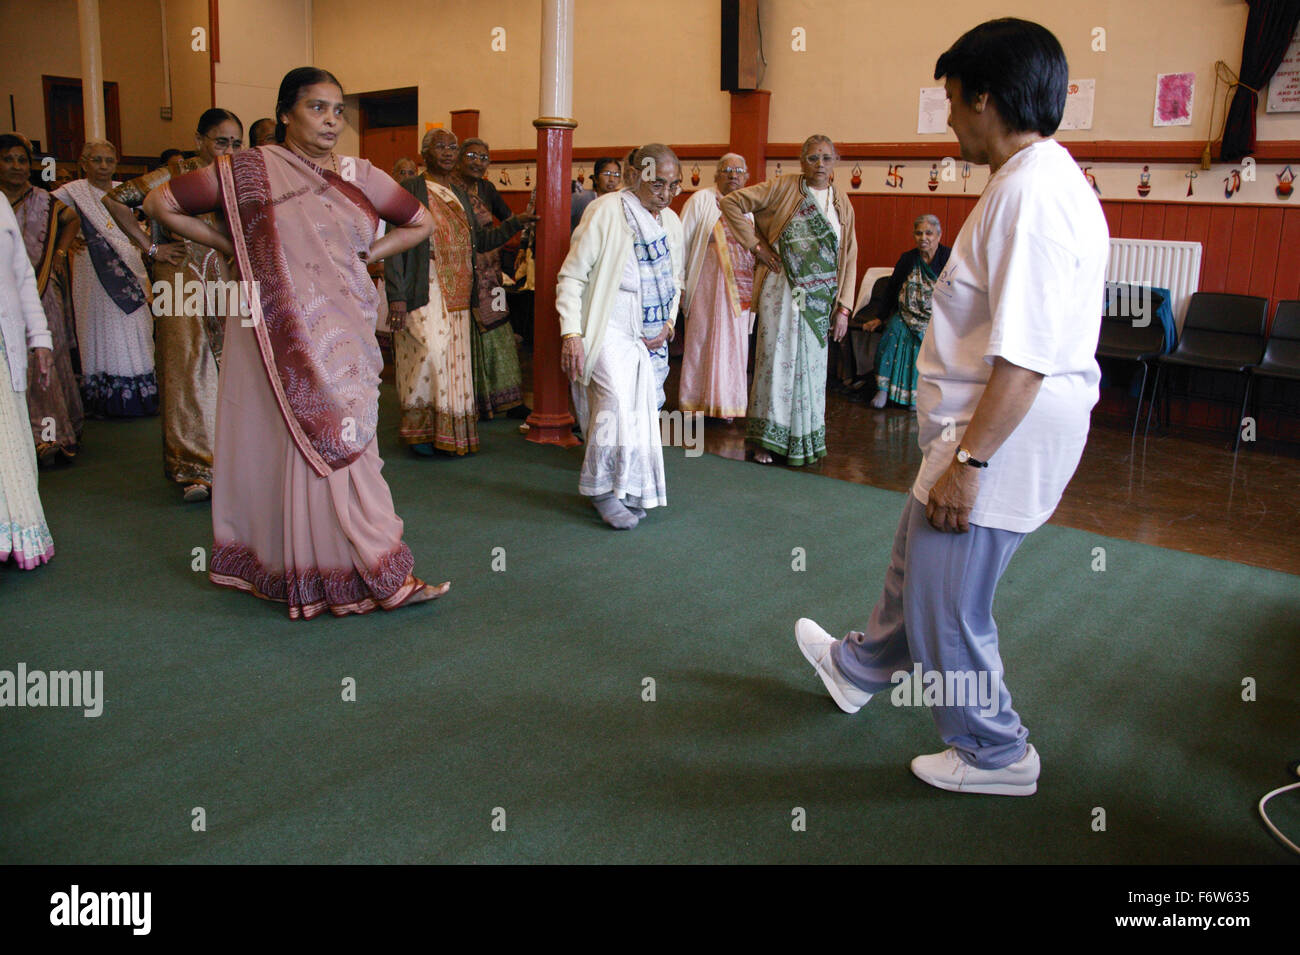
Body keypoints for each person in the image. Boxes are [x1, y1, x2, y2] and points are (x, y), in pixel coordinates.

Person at [794, 18, 1109, 796]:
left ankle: (997, 752)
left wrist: (970, 465)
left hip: (1001, 433)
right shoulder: (1032, 178)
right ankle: (857, 667)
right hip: (985, 426)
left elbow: (1027, 355)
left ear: (986, 98)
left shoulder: (1033, 192)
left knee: (947, 607)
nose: (949, 119)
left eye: (951, 101)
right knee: (916, 563)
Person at [143, 66, 446, 618]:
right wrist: (231, 245)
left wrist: (367, 257)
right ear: (285, 113)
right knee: (291, 434)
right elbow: (159, 204)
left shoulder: (360, 173)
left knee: (350, 435)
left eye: (338, 110)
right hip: (277, 324)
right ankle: (310, 565)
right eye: (317, 108)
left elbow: (419, 222)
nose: (332, 120)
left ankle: (362, 556)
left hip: (345, 327)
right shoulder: (248, 171)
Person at [103, 108, 243, 503]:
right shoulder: (175, 173)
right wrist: (151, 247)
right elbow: (115, 200)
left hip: (227, 279)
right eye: (220, 141)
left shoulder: (239, 176)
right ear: (199, 138)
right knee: (187, 367)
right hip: (179, 279)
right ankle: (193, 468)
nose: (228, 149)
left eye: (235, 142)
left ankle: (234, 463)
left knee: (231, 364)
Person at [385, 128, 535, 456]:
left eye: (453, 147)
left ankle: (448, 433)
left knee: (454, 361)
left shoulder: (460, 192)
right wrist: (396, 295)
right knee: (429, 353)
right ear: (425, 153)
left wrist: (515, 223)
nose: (450, 152)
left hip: (459, 291)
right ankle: (420, 432)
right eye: (441, 147)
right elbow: (393, 245)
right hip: (424, 287)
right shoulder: (411, 188)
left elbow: (480, 242)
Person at [558, 143, 684, 530]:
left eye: (673, 185)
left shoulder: (671, 222)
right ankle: (600, 490)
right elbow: (572, 276)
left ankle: (626, 487)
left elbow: (674, 282)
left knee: (640, 413)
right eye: (657, 183)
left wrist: (668, 324)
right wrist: (571, 334)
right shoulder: (606, 210)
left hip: (650, 333)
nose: (665, 194)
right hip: (608, 323)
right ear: (634, 176)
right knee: (612, 402)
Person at [721, 135, 857, 466]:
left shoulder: (841, 201)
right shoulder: (782, 187)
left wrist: (844, 307)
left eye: (826, 158)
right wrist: (757, 246)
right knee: (774, 362)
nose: (820, 165)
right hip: (781, 290)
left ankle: (800, 442)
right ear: (801, 160)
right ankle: (764, 442)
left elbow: (849, 253)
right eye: (812, 158)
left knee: (810, 370)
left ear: (835, 160)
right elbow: (731, 203)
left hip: (819, 301)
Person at [54, 139, 158, 417]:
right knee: (98, 327)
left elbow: (154, 215)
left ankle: (141, 392)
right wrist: (63, 243)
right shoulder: (71, 192)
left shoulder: (124, 191)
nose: (103, 166)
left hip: (130, 265)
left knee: (136, 323)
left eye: (108, 161)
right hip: (91, 268)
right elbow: (45, 217)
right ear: (83, 163)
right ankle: (105, 399)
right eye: (96, 160)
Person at [0, 134, 82, 464]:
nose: (17, 166)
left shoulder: (45, 201)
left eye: (22, 160)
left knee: (47, 362)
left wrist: (60, 252)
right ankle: (19, 437)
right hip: (6, 300)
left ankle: (51, 437)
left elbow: (71, 219)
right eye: (8, 159)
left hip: (42, 291)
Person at [453, 138, 527, 418]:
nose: (477, 162)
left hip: (490, 275)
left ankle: (508, 400)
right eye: (471, 155)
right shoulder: (449, 189)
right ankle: (475, 402)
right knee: (470, 332)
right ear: (460, 158)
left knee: (500, 327)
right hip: (462, 272)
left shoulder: (487, 188)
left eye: (484, 158)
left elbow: (510, 219)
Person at [678, 153, 755, 422]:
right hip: (704, 287)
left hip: (739, 293)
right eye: (726, 170)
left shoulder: (750, 205)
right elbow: (680, 244)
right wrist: (680, 283)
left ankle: (728, 405)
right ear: (717, 175)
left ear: (746, 176)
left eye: (738, 170)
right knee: (701, 340)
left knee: (734, 345)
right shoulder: (701, 200)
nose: (733, 175)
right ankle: (696, 403)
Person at [0, 194, 55, 568]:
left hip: (4, 344)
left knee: (11, 442)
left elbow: (21, 276)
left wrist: (40, 337)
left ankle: (15, 530)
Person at [863, 214, 951, 409]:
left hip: (935, 316)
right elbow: (892, 289)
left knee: (924, 341)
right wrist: (880, 317)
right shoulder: (908, 258)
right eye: (919, 233)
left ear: (939, 235)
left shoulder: (948, 258)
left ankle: (916, 396)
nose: (923, 238)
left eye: (929, 233)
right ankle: (883, 390)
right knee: (893, 332)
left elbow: (956, 291)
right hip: (906, 313)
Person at [571, 157, 620, 231]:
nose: (612, 179)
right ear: (596, 178)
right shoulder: (581, 198)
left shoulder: (619, 202)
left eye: (616, 174)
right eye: (607, 174)